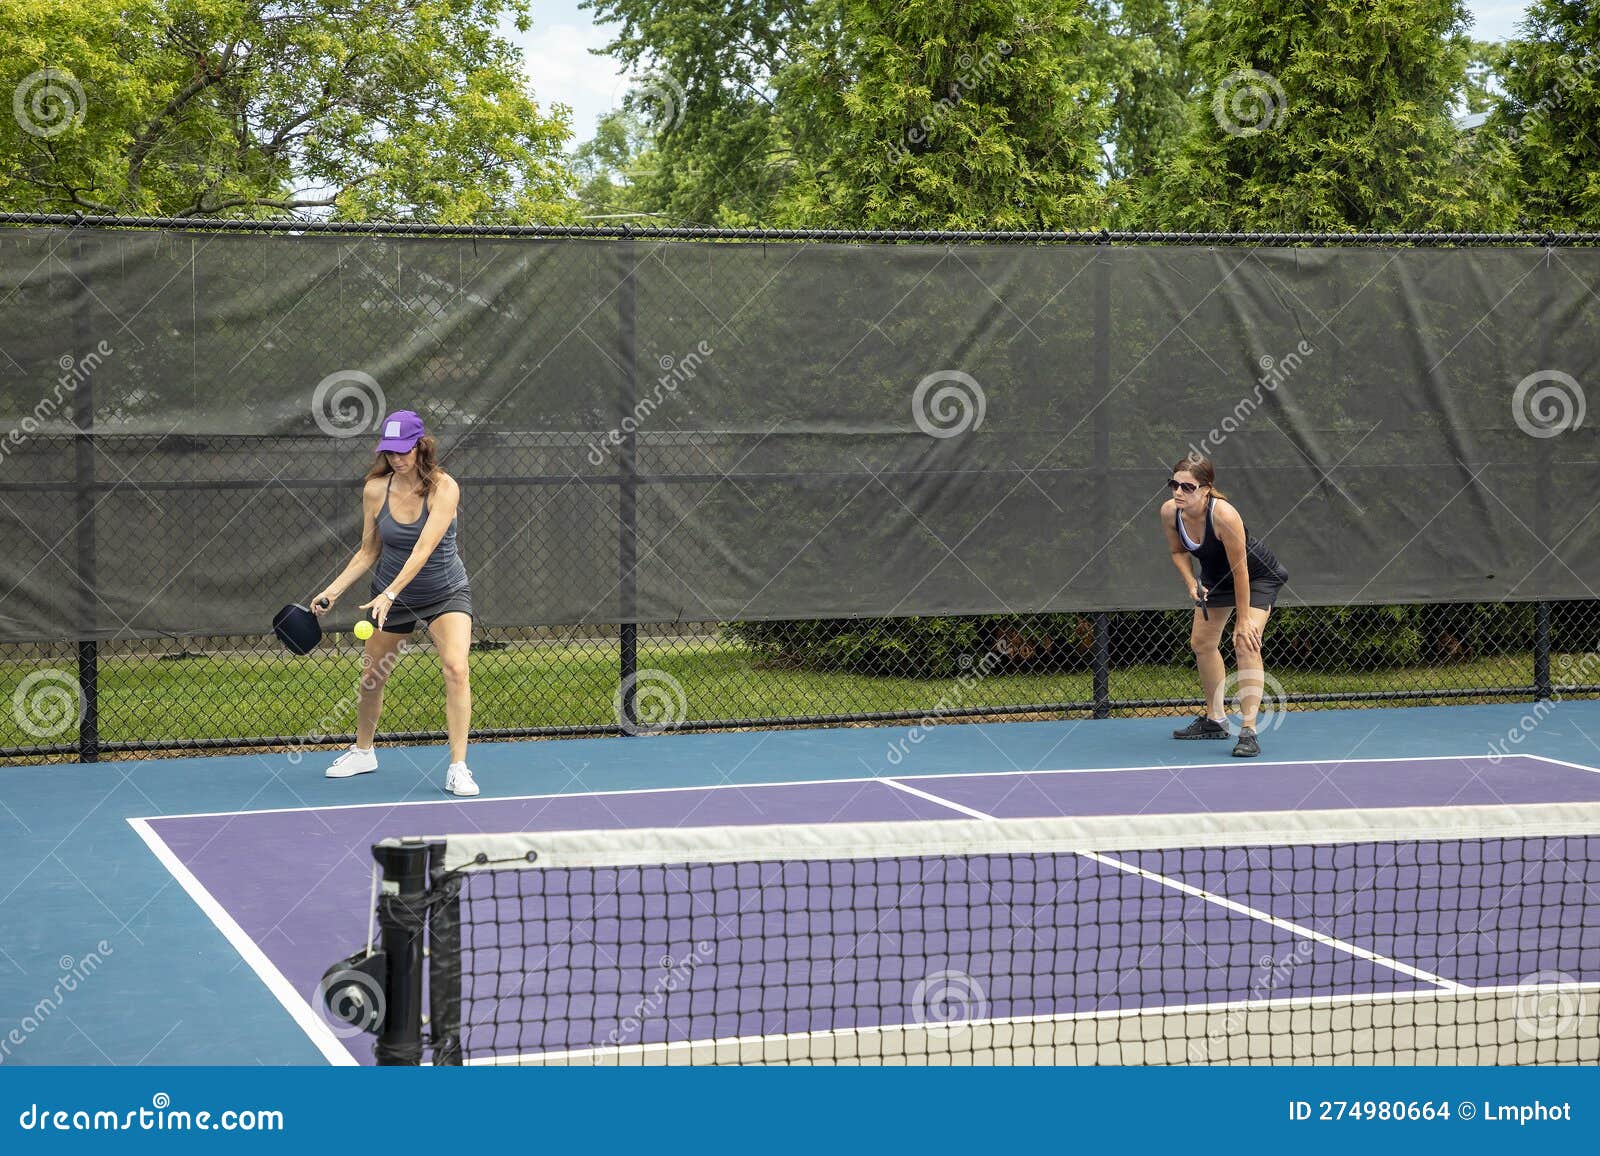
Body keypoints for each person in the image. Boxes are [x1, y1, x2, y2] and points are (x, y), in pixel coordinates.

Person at [311, 410, 479, 796]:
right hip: (391, 595)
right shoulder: (375, 490)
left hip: (444, 592)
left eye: (404, 450)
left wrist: (390, 593)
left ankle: (458, 767)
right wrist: (332, 591)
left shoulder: (444, 488)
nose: (397, 458)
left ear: (422, 447)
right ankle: (363, 751)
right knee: (373, 677)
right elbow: (369, 550)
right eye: (390, 452)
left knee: (456, 668)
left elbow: (423, 550)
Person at [1160, 454, 1288, 757]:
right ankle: (1215, 720)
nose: (1178, 492)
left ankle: (1248, 731)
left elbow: (1241, 570)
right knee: (1202, 643)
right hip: (1216, 578)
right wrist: (1192, 582)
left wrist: (1243, 620)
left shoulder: (1224, 515)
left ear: (1206, 489)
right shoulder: (1169, 512)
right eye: (1174, 484)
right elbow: (1178, 552)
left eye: (1187, 487)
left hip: (1257, 576)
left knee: (1245, 643)